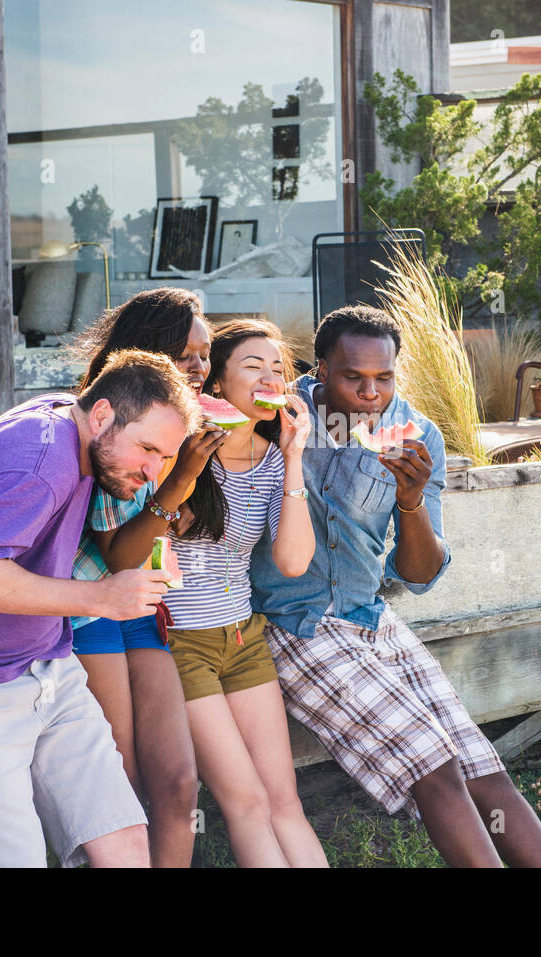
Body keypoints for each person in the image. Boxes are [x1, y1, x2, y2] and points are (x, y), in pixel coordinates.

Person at [250, 304, 541, 868]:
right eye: (353, 377)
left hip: (370, 618)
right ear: (320, 369)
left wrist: (411, 499)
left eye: (384, 377)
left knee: (481, 768)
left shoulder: (417, 435)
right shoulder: (275, 415)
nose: (372, 393)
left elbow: (420, 573)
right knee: (434, 767)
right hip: (298, 626)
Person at [0, 349, 200, 867]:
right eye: (147, 449)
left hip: (48, 669)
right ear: (101, 416)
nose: (153, 471)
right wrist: (101, 596)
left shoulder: (68, 421)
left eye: (163, 456)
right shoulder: (41, 462)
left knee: (125, 847)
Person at [66, 288, 224, 867]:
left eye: (206, 355)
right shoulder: (113, 430)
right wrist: (179, 484)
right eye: (187, 355)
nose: (201, 367)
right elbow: (119, 557)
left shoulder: (188, 423)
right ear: (151, 354)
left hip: (146, 610)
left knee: (180, 783)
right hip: (92, 610)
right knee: (124, 779)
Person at [163, 318, 328, 867]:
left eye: (278, 370)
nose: (270, 378)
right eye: (252, 367)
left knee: (285, 800)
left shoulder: (275, 459)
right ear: (214, 385)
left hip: (245, 638)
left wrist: (295, 457)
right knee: (248, 801)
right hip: (184, 644)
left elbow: (293, 559)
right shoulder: (181, 453)